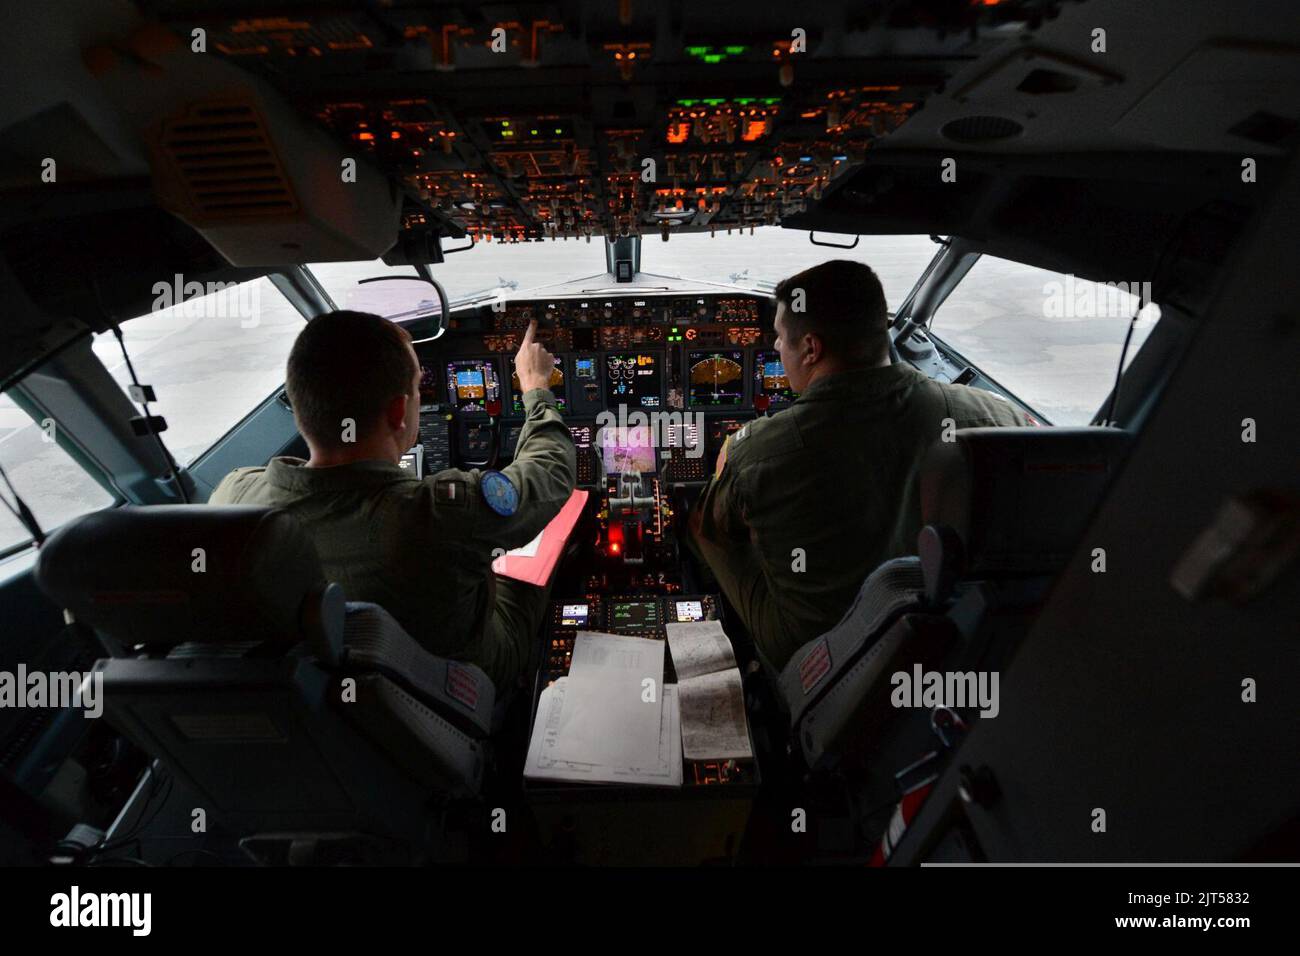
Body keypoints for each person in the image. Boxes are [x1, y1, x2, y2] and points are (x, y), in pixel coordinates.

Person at [689, 260, 1030, 672]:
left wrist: (728, 461)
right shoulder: (994, 417)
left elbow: (720, 523)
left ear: (811, 349)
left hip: (813, 650)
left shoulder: (758, 452)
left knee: (704, 523)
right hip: (947, 636)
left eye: (780, 337)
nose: (776, 348)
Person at [210, 310, 576, 694]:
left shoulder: (234, 497)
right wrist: (535, 388)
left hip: (326, 694)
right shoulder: (439, 513)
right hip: (463, 678)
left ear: (301, 404)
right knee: (534, 570)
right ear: (399, 411)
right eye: (420, 388)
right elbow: (550, 473)